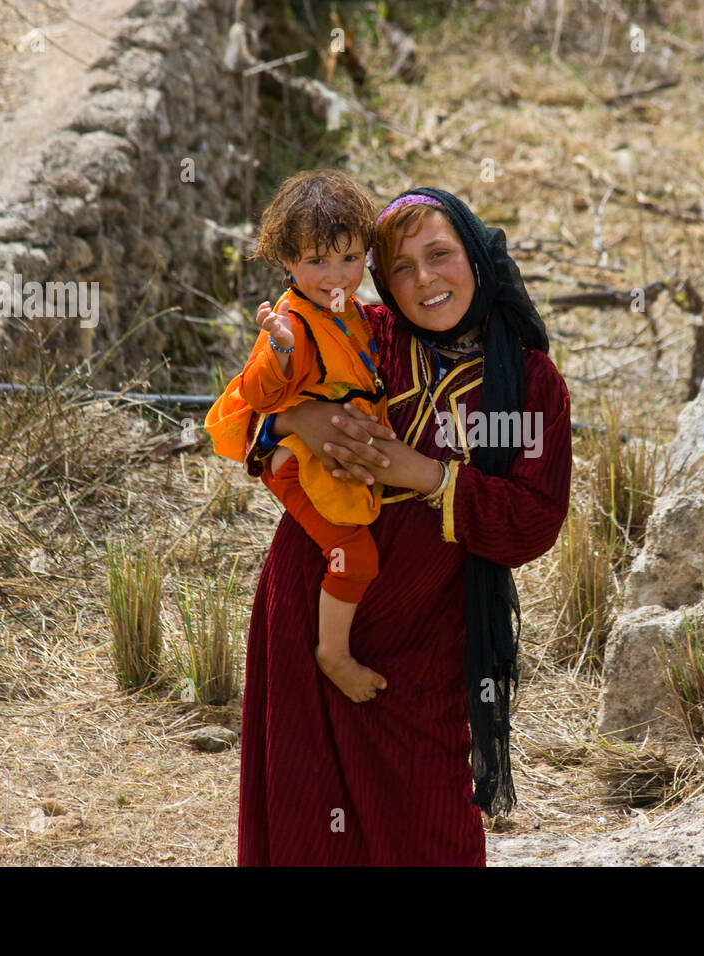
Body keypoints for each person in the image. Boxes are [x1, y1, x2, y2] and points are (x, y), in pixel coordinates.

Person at [237, 186, 572, 865]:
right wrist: (294, 420)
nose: (425, 280)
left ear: (475, 257)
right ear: (381, 283)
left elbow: (534, 521)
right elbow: (247, 415)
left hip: (426, 644)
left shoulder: (530, 385)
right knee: (307, 819)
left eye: (440, 255)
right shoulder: (364, 340)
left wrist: (427, 474)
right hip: (308, 611)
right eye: (401, 268)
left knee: (429, 825)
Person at [206, 169, 391, 703]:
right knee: (353, 557)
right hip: (293, 460)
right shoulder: (294, 322)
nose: (336, 275)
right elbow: (262, 395)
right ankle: (332, 653)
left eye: (350, 258)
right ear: (286, 260)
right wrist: (281, 348)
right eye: (317, 261)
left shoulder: (352, 312)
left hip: (326, 451)